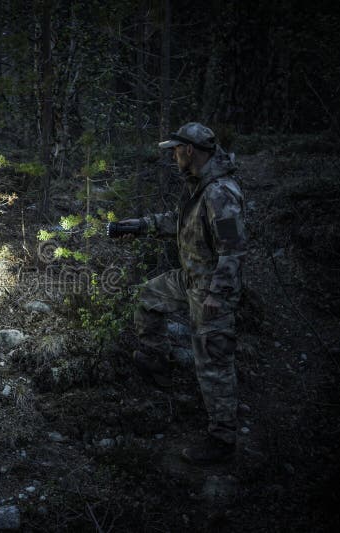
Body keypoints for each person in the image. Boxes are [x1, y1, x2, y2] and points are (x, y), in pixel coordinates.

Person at [106, 122, 247, 465]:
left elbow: (233, 249)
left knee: (212, 362)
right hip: (190, 280)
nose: (172, 155)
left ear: (189, 151)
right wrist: (138, 226)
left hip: (211, 290)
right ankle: (157, 360)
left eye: (175, 149)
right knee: (148, 296)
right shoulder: (200, 187)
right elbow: (177, 222)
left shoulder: (220, 193)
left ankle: (222, 438)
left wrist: (218, 294)